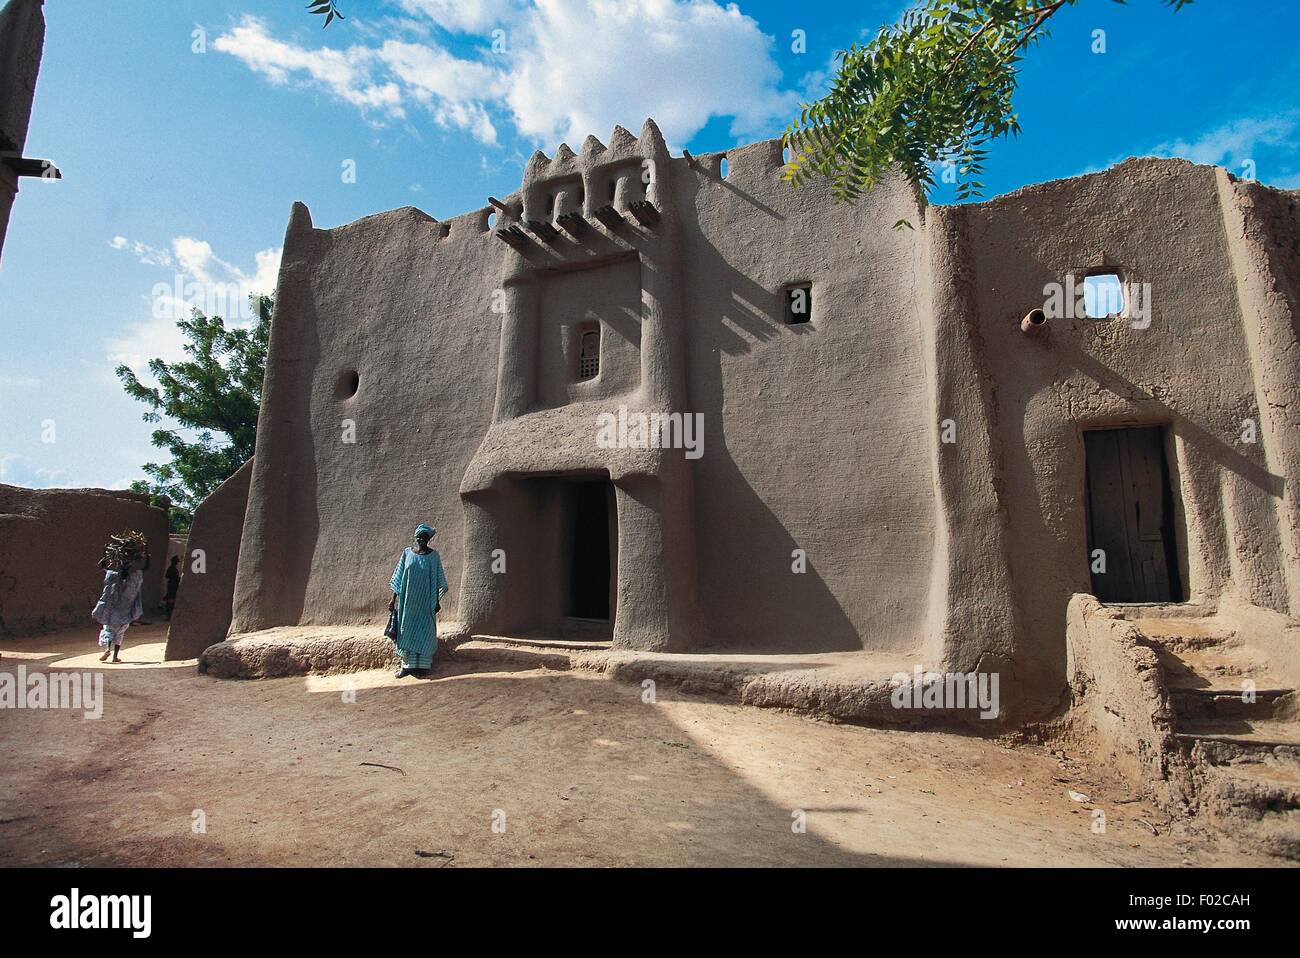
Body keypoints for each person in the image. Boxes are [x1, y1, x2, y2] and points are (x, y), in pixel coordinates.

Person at [388, 523, 448, 679]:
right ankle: (406, 666)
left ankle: (423, 666)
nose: (422, 539)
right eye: (419, 537)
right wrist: (393, 599)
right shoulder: (407, 554)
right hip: (407, 603)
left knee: (425, 633)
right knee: (406, 631)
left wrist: (436, 601)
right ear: (415, 538)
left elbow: (438, 579)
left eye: (425, 537)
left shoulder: (434, 557)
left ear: (429, 539)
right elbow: (398, 578)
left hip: (425, 603)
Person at [92, 530, 149, 664]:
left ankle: (108, 648)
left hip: (111, 613)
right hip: (124, 614)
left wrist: (105, 551)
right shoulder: (133, 579)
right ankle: (115, 656)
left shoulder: (112, 576)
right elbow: (146, 568)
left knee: (108, 631)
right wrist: (147, 553)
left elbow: (103, 566)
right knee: (120, 635)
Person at [164, 555, 181, 619]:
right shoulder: (172, 568)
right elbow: (167, 576)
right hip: (172, 585)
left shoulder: (173, 568)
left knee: (171, 599)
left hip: (173, 585)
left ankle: (169, 615)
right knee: (170, 599)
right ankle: (169, 615)